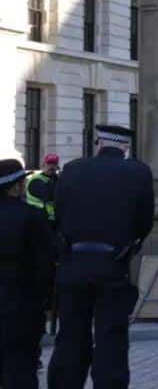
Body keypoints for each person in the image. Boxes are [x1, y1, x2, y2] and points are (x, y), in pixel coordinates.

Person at [48, 125, 154, 389]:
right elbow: (144, 220)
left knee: (71, 334)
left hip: (73, 263)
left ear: (98, 143)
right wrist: (129, 248)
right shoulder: (138, 172)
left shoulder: (73, 169)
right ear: (125, 148)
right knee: (111, 336)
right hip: (113, 265)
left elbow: (58, 213)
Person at [0, 158, 55, 389]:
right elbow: (45, 263)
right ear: (17, 186)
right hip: (22, 302)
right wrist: (46, 299)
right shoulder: (32, 216)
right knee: (21, 366)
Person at [24, 153, 59, 225]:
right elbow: (50, 195)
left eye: (54, 164)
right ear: (43, 165)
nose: (51, 166)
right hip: (38, 219)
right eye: (49, 163)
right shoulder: (36, 180)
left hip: (52, 219)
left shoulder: (57, 179)